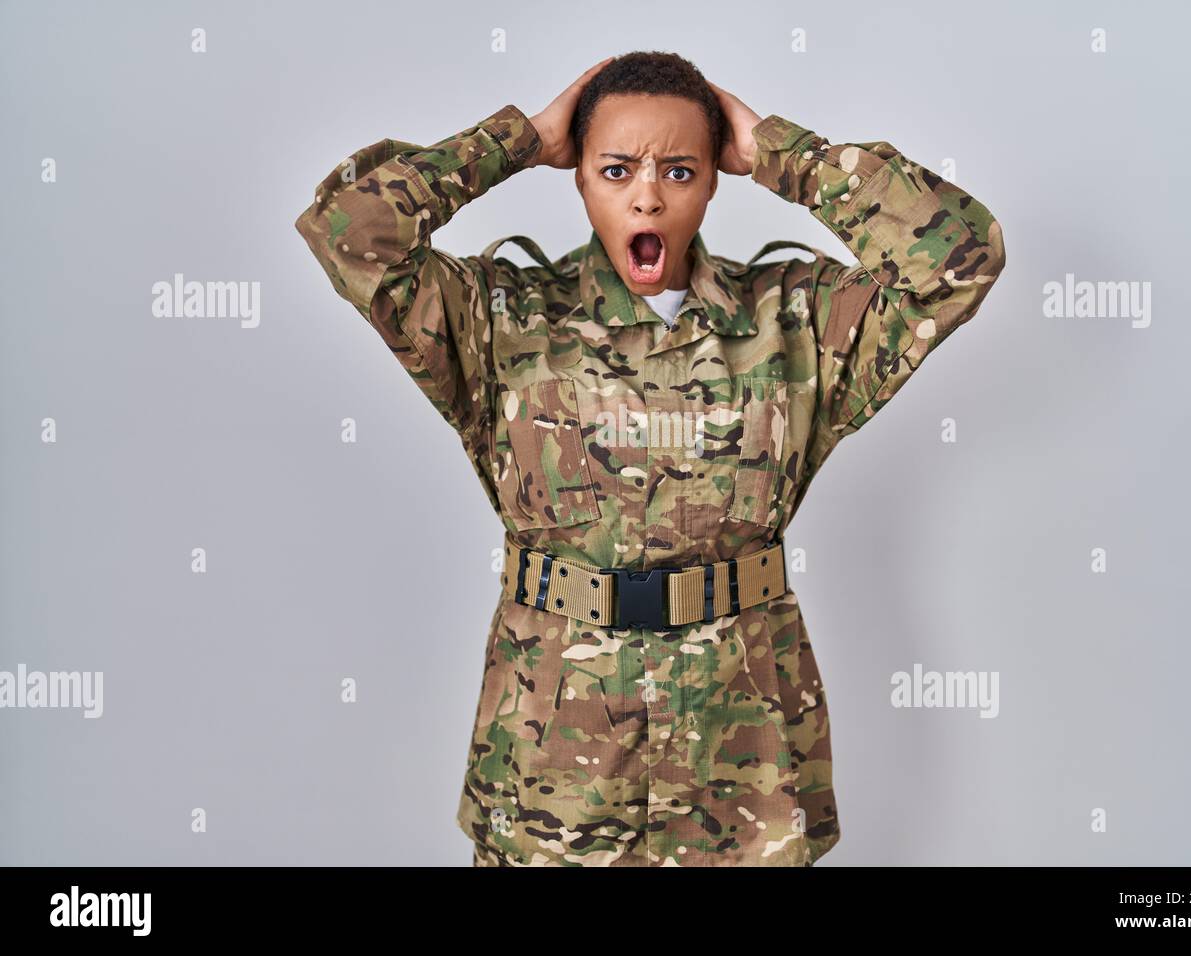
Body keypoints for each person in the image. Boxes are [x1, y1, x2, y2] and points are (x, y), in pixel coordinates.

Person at [294, 50, 1006, 867]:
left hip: (741, 747)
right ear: (580, 181)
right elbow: (350, 229)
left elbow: (959, 259)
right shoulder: (500, 317)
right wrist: (518, 138)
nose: (647, 193)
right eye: (616, 168)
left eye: (678, 168)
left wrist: (780, 152)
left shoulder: (796, 320)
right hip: (554, 753)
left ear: (712, 182)